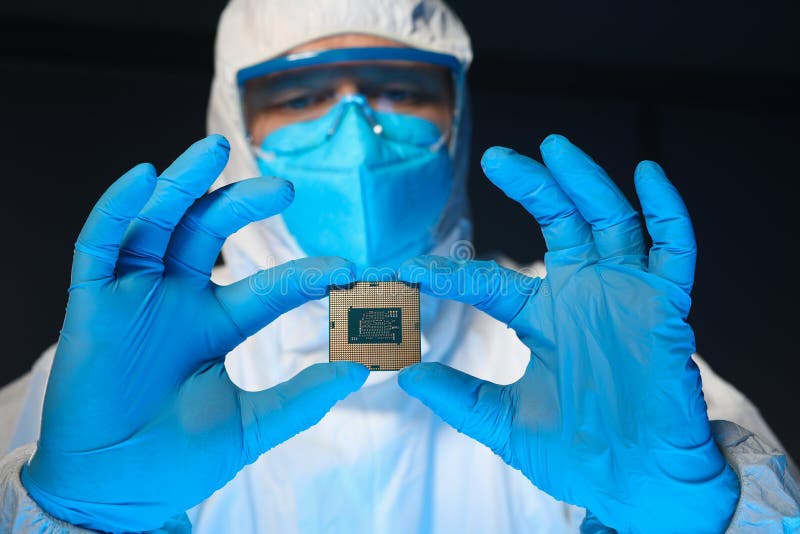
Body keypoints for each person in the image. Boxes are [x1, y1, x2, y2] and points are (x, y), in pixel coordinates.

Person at [1, 0, 798, 532]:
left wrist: (692, 524)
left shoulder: (601, 359)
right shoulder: (104, 389)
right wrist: (74, 515)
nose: (355, 128)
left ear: (456, 118)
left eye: (397, 89)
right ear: (233, 122)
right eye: (302, 96)